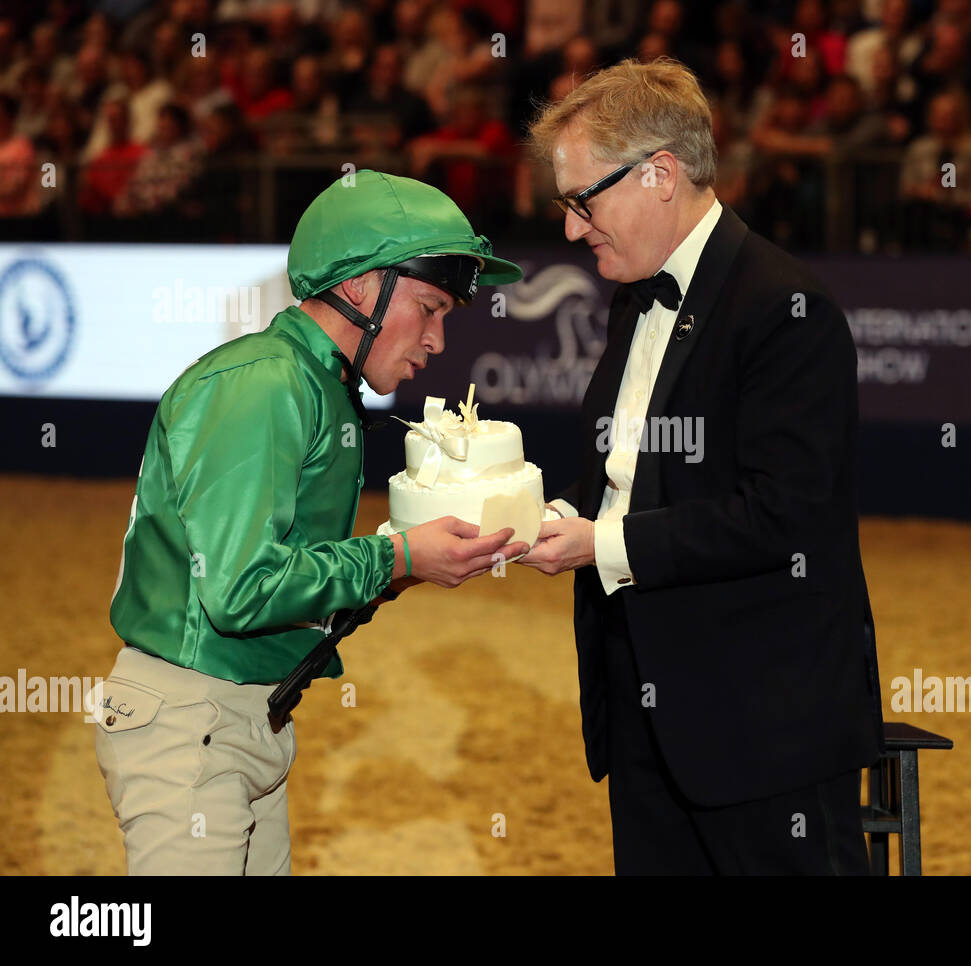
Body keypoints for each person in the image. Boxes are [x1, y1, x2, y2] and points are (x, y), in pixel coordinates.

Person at [94, 170, 528, 875]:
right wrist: (393, 557)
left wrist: (409, 561)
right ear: (360, 288)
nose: (439, 339)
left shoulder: (313, 385)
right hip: (192, 723)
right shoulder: (265, 383)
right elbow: (239, 590)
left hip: (237, 721)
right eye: (428, 307)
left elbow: (291, 577)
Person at [520, 58, 885, 875]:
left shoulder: (788, 310)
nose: (573, 228)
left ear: (659, 175)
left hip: (767, 731)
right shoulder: (633, 295)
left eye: (583, 200)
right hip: (646, 714)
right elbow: (629, 475)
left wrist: (597, 547)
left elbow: (782, 516)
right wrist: (546, 516)